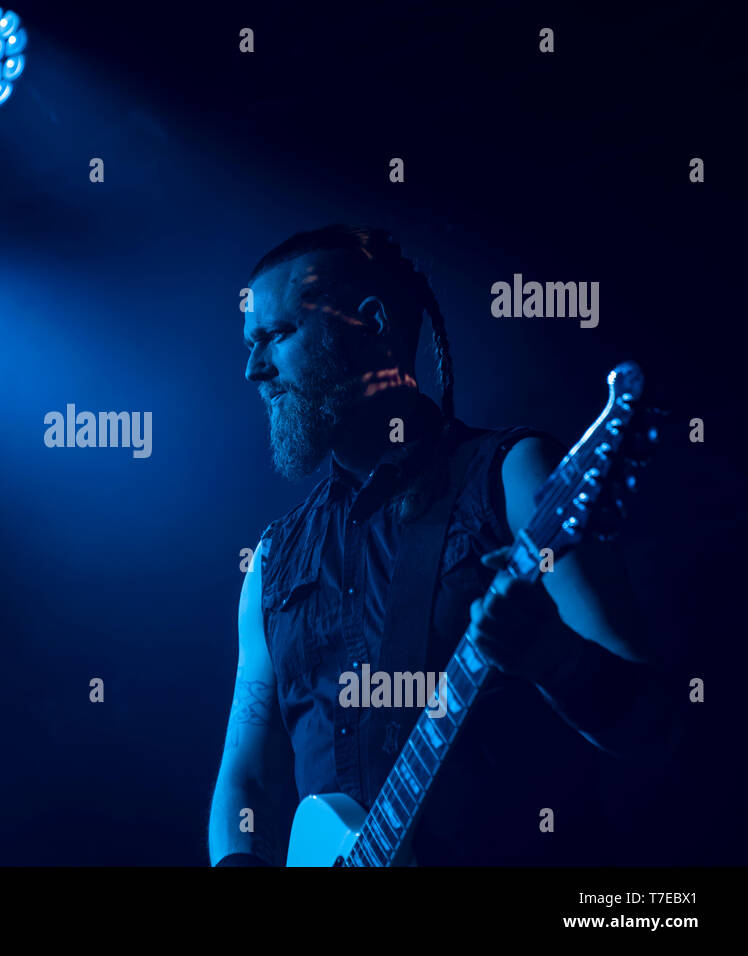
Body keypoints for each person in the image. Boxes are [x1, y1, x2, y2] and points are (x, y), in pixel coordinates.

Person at [208, 225, 679, 866]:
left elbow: (658, 729)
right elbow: (249, 777)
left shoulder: (515, 474)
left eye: (276, 336)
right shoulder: (271, 562)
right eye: (250, 344)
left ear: (369, 325)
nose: (253, 369)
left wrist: (555, 659)